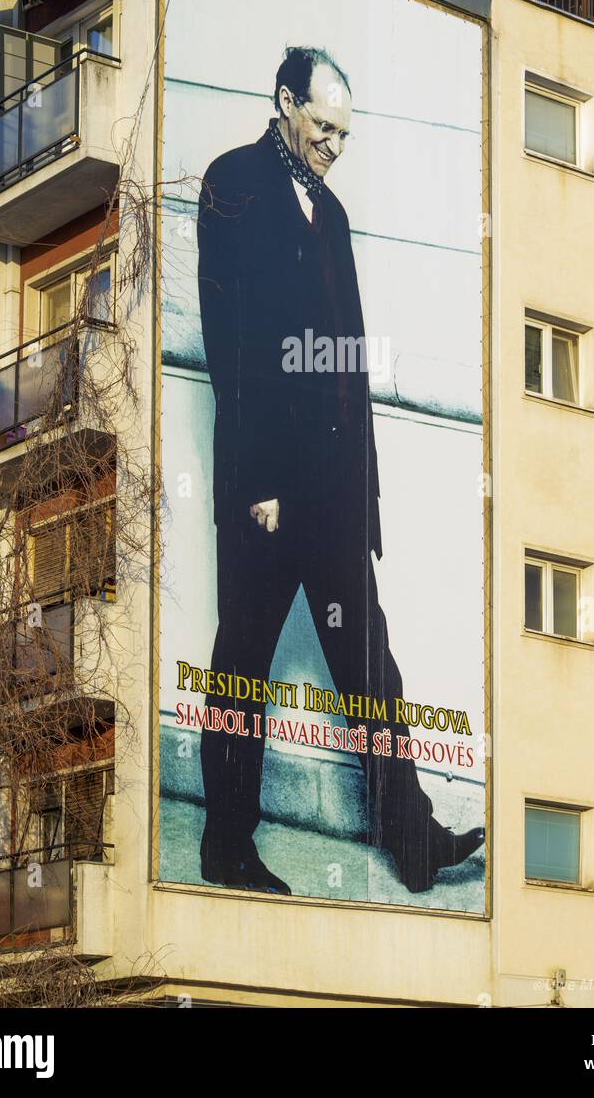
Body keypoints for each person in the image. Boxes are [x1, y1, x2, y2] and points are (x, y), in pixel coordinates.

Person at [196, 45, 482, 896]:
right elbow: (231, 345)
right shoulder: (233, 181)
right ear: (284, 101)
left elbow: (346, 363)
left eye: (344, 133)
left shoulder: (337, 213)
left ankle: (413, 840)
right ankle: (227, 848)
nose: (332, 144)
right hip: (269, 495)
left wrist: (367, 497)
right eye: (322, 126)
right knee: (240, 668)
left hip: (334, 496)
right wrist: (256, 485)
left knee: (371, 673)